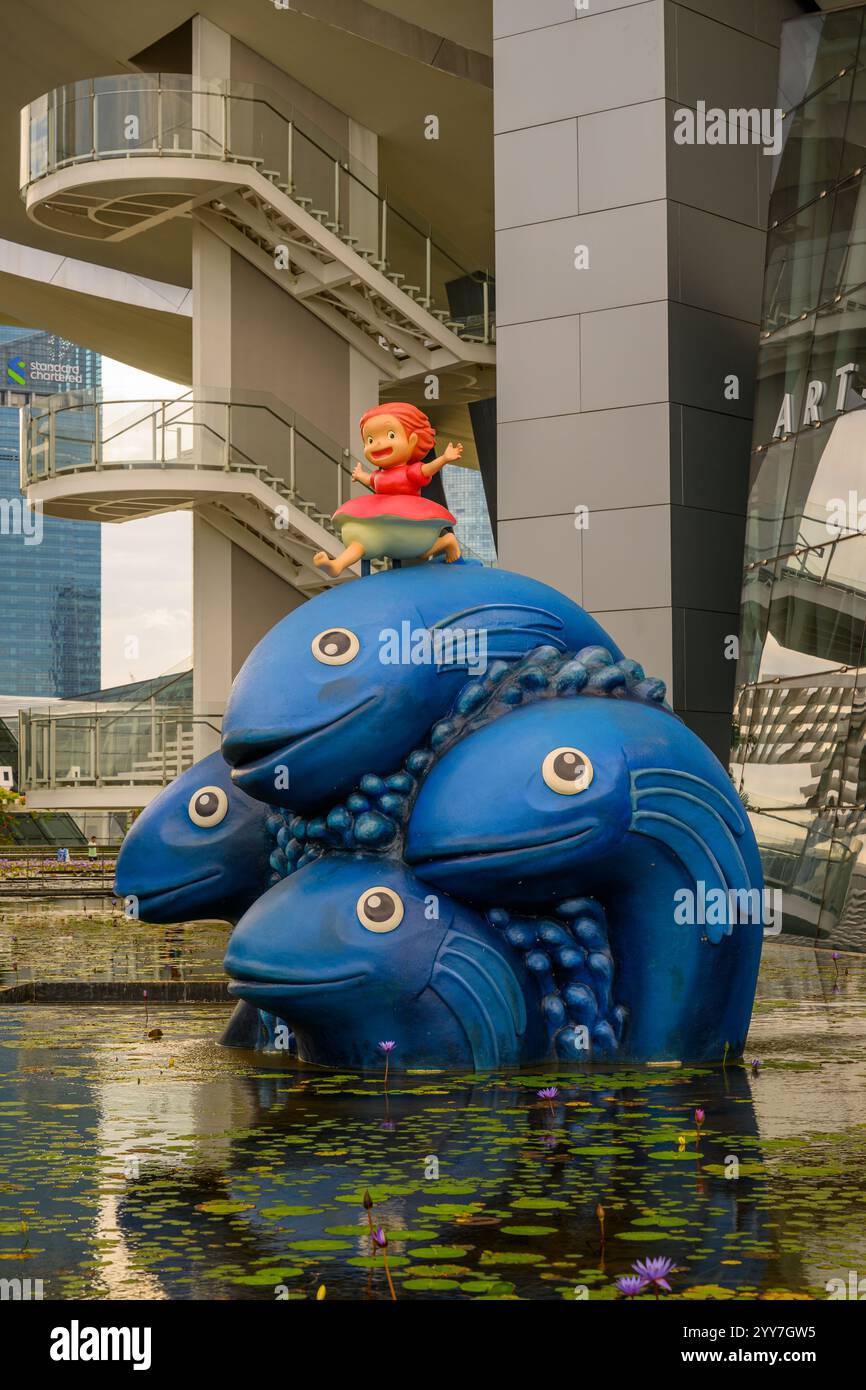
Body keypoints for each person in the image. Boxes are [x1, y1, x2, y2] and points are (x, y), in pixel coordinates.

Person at [313, 403, 463, 578]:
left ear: (412, 440)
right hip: (384, 521)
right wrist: (360, 475)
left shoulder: (409, 472)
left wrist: (444, 459)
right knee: (361, 541)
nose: (377, 443)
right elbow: (371, 480)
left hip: (409, 520)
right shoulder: (379, 475)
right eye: (370, 440)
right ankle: (337, 565)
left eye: (390, 435)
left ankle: (447, 541)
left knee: (422, 552)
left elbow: (427, 470)